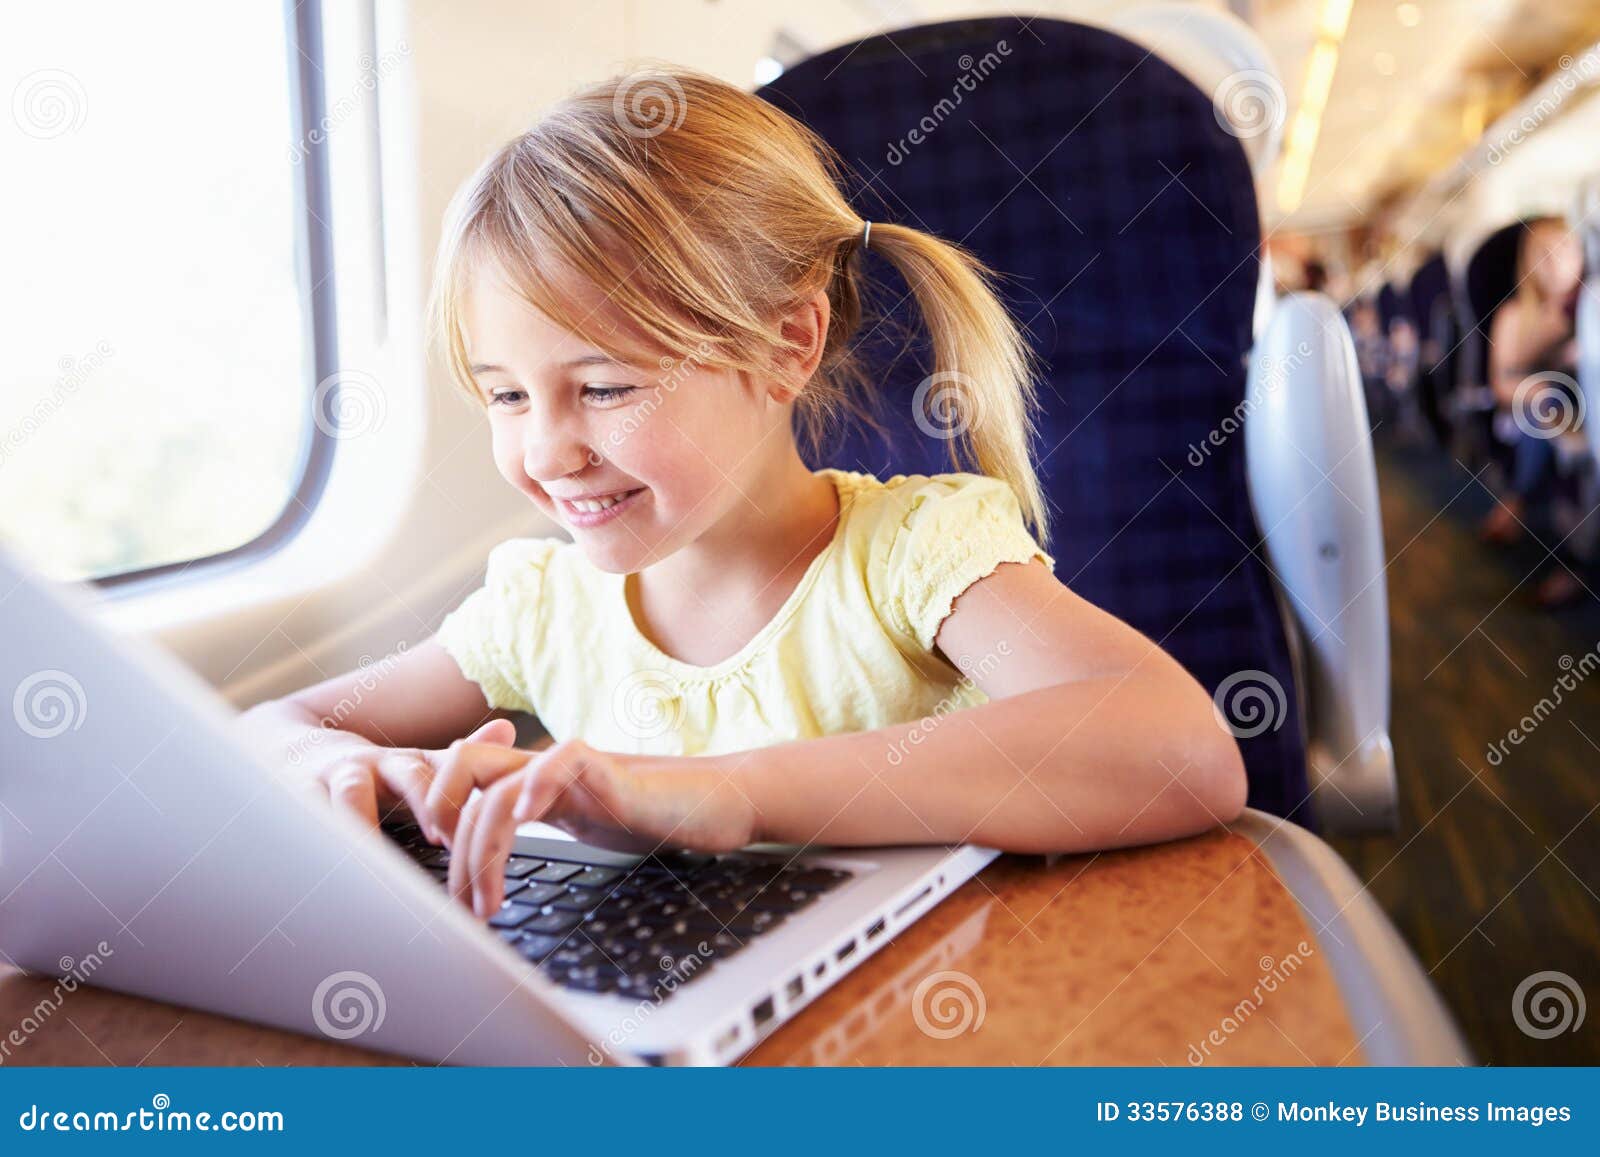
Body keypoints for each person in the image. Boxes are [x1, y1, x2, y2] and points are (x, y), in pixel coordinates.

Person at [237, 66, 1246, 920]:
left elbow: (1179, 748)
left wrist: (731, 791)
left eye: (603, 387)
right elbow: (273, 722)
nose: (547, 451)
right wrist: (331, 767)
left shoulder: (912, 559)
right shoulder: (538, 609)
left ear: (785, 346)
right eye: (505, 394)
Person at [1477, 218, 1582, 550]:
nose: (1553, 261)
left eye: (1563, 248)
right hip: (1530, 411)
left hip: (1581, 404)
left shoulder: (1588, 307)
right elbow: (1500, 384)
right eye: (1543, 252)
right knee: (1545, 404)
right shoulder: (1513, 315)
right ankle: (1519, 501)